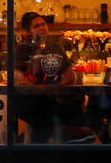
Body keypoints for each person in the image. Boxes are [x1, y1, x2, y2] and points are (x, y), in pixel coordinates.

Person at [14, 11, 86, 142]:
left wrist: (60, 86)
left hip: (56, 97)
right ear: (29, 32)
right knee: (51, 112)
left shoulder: (55, 47)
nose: (42, 27)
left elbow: (69, 70)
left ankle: (74, 136)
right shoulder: (23, 49)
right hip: (36, 100)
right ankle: (66, 137)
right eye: (37, 26)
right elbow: (19, 76)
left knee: (78, 98)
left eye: (43, 24)